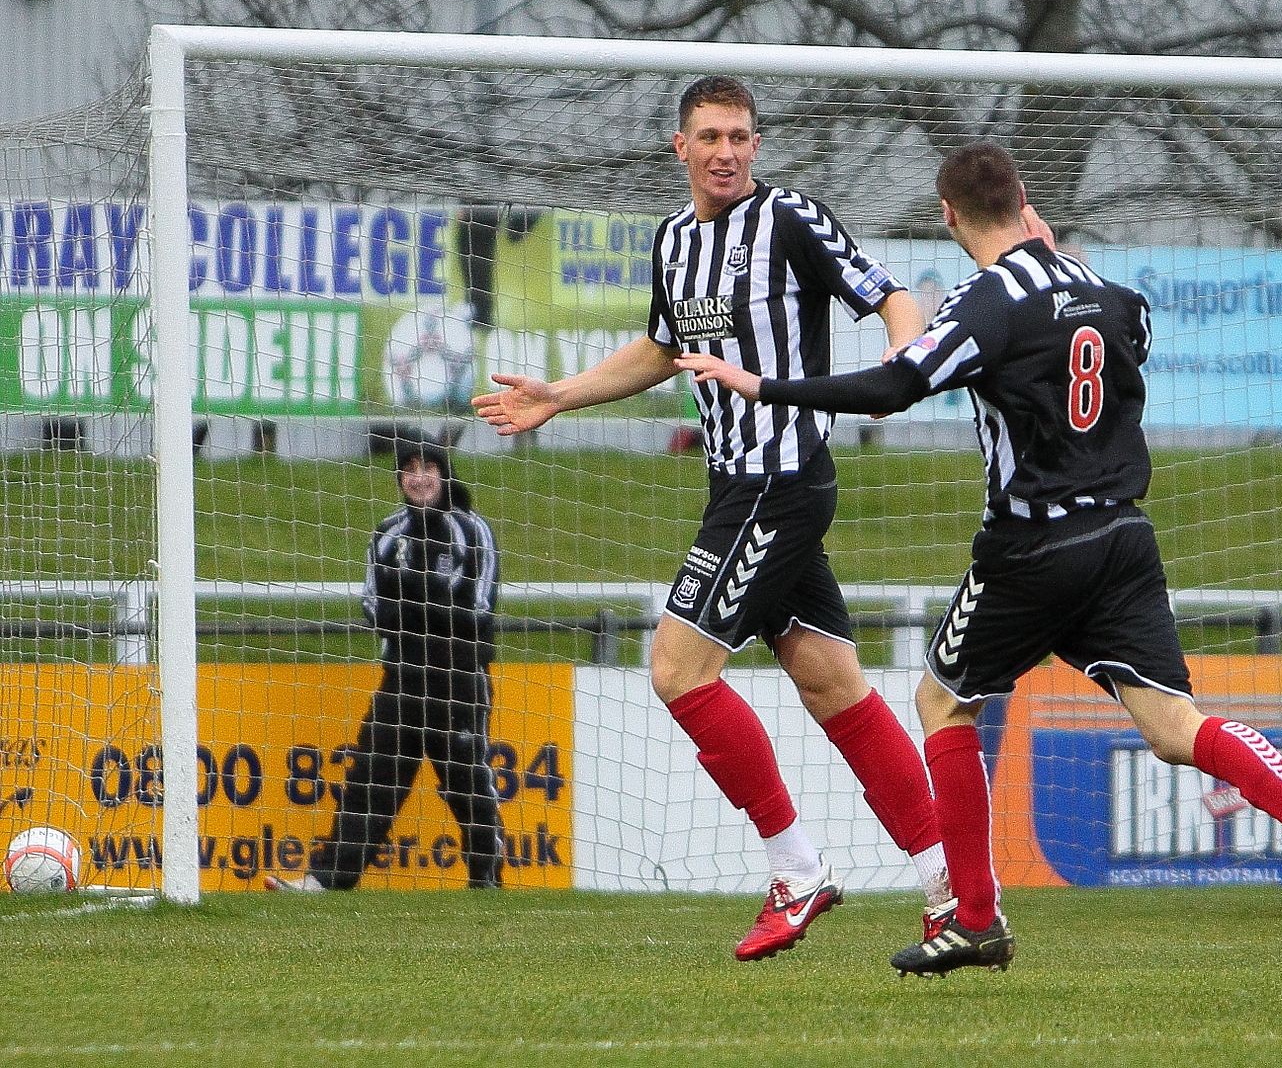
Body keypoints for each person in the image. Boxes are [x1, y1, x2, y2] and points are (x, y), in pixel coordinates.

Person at [677, 140, 1282, 975]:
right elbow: (1137, 335)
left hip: (1033, 544)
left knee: (943, 704)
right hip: (1125, 538)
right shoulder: (1102, 288)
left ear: (948, 216)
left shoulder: (987, 304)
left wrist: (766, 387)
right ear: (1024, 200)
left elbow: (895, 388)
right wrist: (1057, 265)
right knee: (1173, 728)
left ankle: (974, 917)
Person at [474, 75, 950, 960]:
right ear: (680, 148)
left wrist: (903, 360)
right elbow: (663, 349)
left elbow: (890, 296)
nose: (726, 151)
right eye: (710, 136)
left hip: (780, 481)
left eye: (740, 136)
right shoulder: (673, 242)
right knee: (831, 682)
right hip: (736, 485)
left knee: (677, 670)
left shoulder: (791, 219)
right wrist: (559, 397)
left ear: (756, 146)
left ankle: (797, 871)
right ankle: (948, 888)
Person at [265, 439, 504, 891]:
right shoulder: (388, 532)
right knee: (370, 780)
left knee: (465, 781)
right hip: (402, 677)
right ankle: (326, 880)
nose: (419, 477)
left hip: (458, 677)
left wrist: (412, 592)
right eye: (409, 470)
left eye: (428, 468)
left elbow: (475, 609)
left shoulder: (472, 530)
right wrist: (420, 602)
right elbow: (375, 607)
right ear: (400, 480)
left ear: (444, 473)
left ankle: (486, 881)